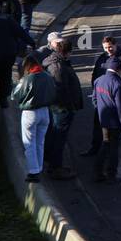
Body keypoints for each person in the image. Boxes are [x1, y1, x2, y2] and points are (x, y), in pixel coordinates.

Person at [41, 32, 84, 181]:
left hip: (59, 107)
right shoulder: (58, 67)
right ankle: (55, 167)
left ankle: (52, 163)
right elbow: (60, 90)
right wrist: (70, 105)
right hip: (61, 108)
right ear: (66, 52)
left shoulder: (55, 62)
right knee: (58, 138)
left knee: (55, 136)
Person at [10, 54, 56, 184]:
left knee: (29, 143)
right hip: (45, 112)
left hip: (30, 113)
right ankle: (39, 167)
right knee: (40, 142)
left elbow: (15, 95)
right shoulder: (47, 77)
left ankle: (33, 172)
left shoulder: (27, 79)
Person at [85, 36, 121, 158]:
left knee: (114, 125)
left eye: (110, 47)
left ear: (115, 45)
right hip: (101, 96)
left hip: (112, 95)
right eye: (106, 48)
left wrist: (116, 86)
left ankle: (110, 150)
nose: (108, 50)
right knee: (98, 123)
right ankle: (95, 147)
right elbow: (95, 74)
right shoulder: (103, 57)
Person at [92, 58, 121, 184]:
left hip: (103, 120)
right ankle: (111, 174)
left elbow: (94, 99)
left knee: (105, 144)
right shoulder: (118, 85)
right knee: (113, 148)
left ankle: (97, 171)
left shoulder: (99, 80)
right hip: (114, 123)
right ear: (119, 70)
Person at [0, 4, 34, 110]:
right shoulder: (7, 19)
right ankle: (3, 99)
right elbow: (20, 32)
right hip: (8, 53)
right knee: (5, 75)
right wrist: (31, 43)